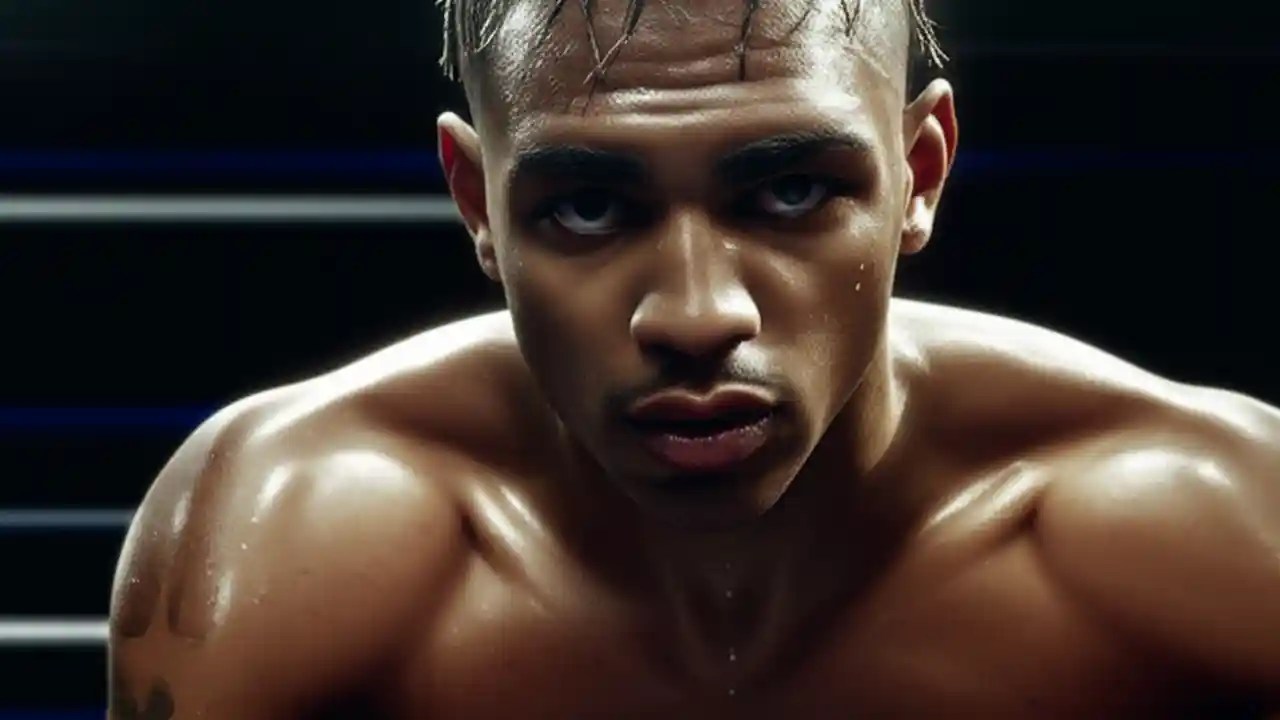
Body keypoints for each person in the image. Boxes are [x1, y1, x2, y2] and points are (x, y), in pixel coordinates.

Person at [108, 0, 1280, 717]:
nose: (694, 313)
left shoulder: (1219, 525)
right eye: (584, 209)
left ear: (918, 174)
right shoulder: (279, 531)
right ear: (474, 197)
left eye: (787, 190)